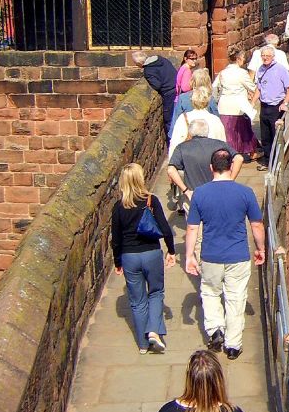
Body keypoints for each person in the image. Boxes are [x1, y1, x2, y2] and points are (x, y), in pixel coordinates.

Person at [186, 149, 266, 360]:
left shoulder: (200, 193)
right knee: (236, 298)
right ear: (231, 167)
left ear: (211, 168)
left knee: (210, 293)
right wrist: (261, 248)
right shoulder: (245, 192)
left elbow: (193, 228)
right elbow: (256, 224)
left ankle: (215, 330)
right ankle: (233, 344)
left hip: (210, 255)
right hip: (238, 254)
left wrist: (189, 256)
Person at [112, 162, 175, 354]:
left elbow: (115, 238)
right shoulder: (150, 200)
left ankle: (142, 344)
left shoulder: (119, 206)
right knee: (155, 293)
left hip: (129, 256)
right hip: (151, 254)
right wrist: (171, 251)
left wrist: (117, 261)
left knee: (137, 301)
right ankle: (154, 331)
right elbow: (165, 229)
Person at [167, 119, 243, 213]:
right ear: (207, 131)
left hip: (194, 194)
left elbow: (171, 170)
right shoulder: (219, 144)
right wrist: (230, 180)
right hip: (218, 193)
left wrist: (185, 190)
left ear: (190, 132)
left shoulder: (181, 147)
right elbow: (239, 158)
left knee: (195, 226)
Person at [211, 47, 260, 163]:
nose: (244, 60)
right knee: (242, 131)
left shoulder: (223, 72)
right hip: (238, 106)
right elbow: (252, 87)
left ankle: (226, 154)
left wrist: (218, 100)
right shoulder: (241, 73)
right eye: (243, 58)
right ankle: (248, 152)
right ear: (238, 59)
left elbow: (214, 87)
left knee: (227, 132)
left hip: (224, 106)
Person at [251, 45, 289, 171]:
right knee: (265, 136)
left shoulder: (280, 69)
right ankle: (268, 162)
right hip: (264, 106)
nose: (265, 58)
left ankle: (279, 162)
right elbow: (259, 88)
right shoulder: (260, 69)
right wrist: (253, 102)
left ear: (273, 57)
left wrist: (284, 103)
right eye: (263, 56)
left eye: (268, 56)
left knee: (276, 135)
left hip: (276, 106)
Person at [168, 86, 227, 159]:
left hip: (188, 162)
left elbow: (174, 143)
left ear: (192, 100)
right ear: (208, 100)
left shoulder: (183, 118)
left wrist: (172, 164)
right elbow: (222, 145)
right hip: (211, 162)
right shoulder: (216, 120)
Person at [132, 51, 178, 138]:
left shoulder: (148, 70)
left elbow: (157, 85)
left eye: (135, 63)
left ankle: (172, 141)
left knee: (169, 119)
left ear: (139, 63)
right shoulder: (161, 59)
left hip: (168, 93)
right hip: (177, 88)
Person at [170, 66, 220, 137]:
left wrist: (172, 136)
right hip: (206, 134)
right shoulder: (210, 98)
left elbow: (175, 118)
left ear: (192, 81)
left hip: (187, 135)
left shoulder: (183, 98)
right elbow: (216, 118)